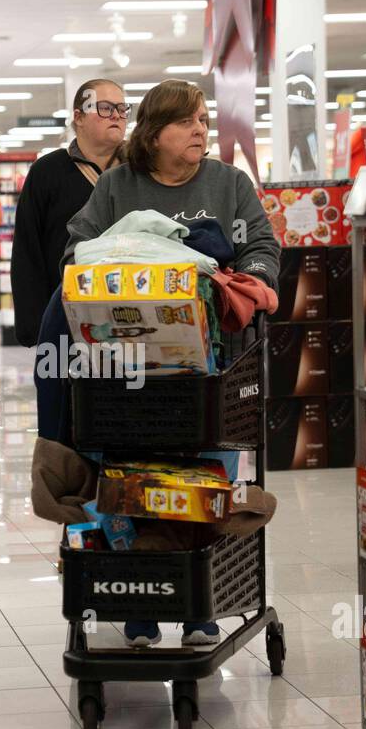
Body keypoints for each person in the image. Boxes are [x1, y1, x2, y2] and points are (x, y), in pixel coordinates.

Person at [64, 79, 280, 648]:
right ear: (155, 133)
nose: (201, 130)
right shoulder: (117, 186)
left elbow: (262, 244)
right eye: (188, 122)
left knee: (203, 473)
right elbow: (77, 247)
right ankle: (139, 606)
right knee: (132, 476)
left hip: (211, 370)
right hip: (128, 365)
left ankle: (198, 607)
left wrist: (248, 283)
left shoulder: (229, 184)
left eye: (205, 120)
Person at [11, 78, 128, 346]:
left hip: (132, 314)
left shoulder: (138, 170)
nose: (117, 116)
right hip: (64, 317)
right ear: (79, 117)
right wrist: (34, 326)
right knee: (64, 388)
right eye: (105, 108)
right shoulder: (47, 172)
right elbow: (28, 251)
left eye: (122, 109)